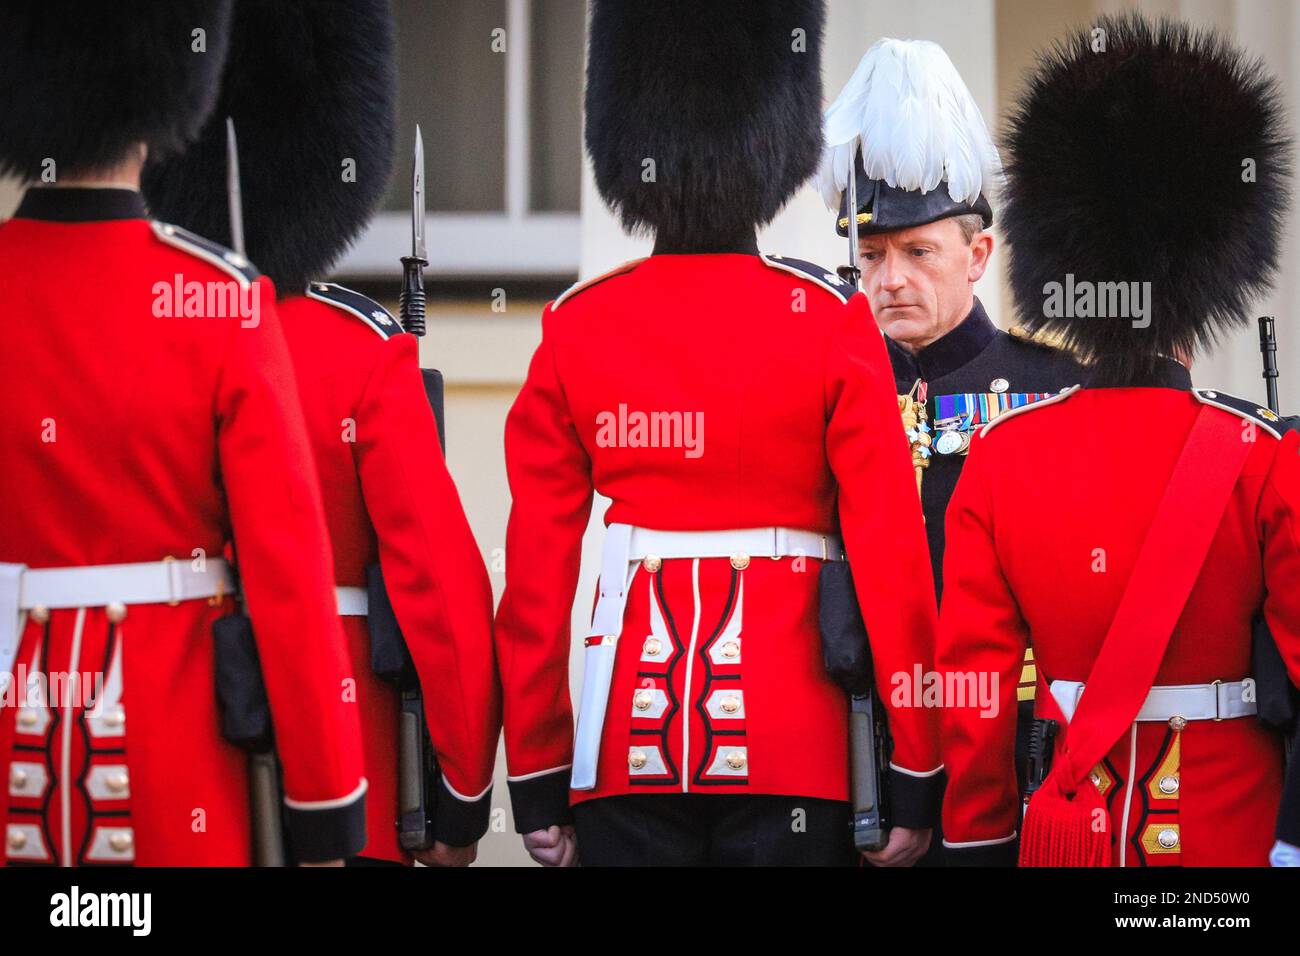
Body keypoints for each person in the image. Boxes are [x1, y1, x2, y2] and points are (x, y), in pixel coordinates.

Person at [494, 0, 940, 868]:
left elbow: (535, 585)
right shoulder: (830, 321)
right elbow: (894, 563)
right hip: (795, 753)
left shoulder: (580, 326)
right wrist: (914, 767)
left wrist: (539, 773)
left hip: (625, 754)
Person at [0, 1, 367, 865]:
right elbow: (289, 579)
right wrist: (325, 805)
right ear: (165, 102)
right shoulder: (218, 301)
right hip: (174, 769)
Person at [143, 0, 501, 866]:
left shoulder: (141, 334)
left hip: (163, 778)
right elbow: (443, 598)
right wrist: (459, 801)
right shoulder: (363, 351)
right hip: (356, 785)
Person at [937, 13, 1300, 866]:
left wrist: (978, 835)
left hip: (1069, 836)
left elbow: (974, 693)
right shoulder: (1265, 456)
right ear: (1213, 269)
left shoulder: (1002, 457)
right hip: (1229, 843)